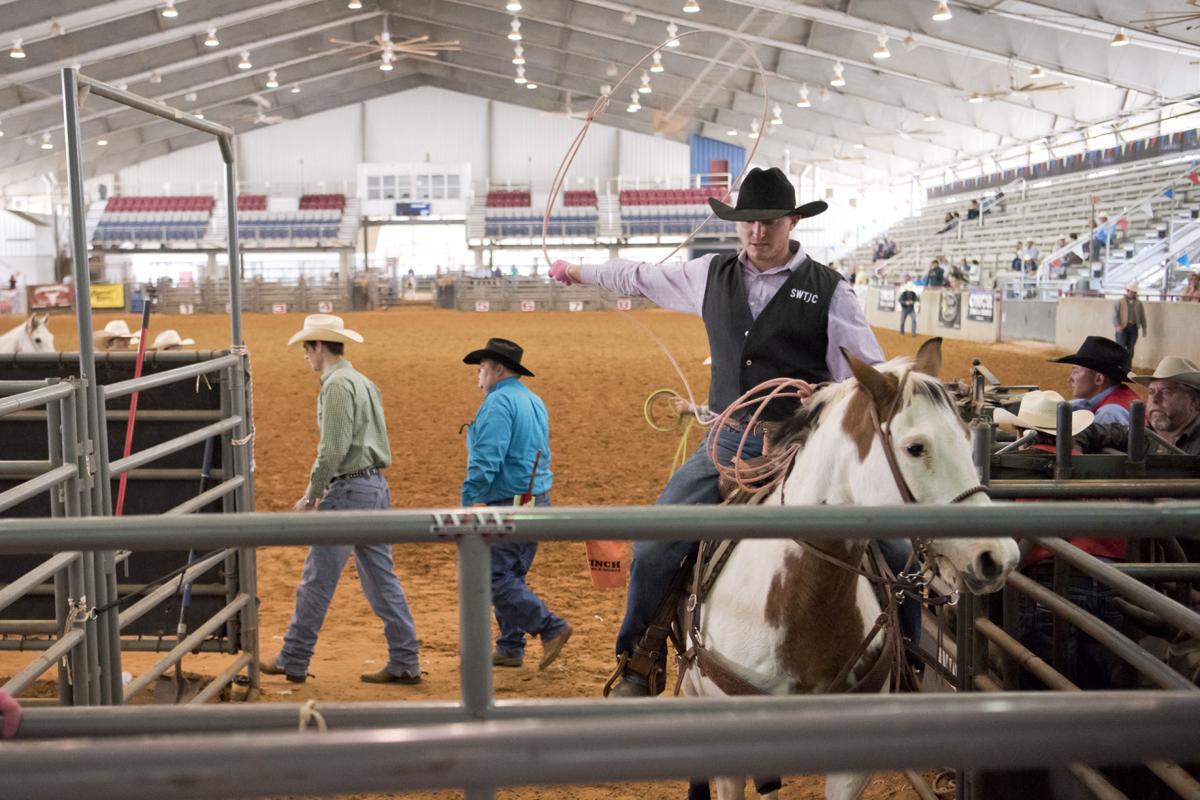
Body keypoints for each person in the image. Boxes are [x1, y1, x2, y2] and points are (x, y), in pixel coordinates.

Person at [547, 167, 891, 697]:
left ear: (792, 222)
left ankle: (904, 665)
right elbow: (637, 275)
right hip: (728, 441)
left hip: (803, 445)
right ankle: (639, 658)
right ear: (737, 225)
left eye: (770, 222)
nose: (758, 233)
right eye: (748, 223)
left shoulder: (832, 291)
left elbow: (866, 375)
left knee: (898, 545)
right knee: (653, 548)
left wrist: (826, 397)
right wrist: (577, 269)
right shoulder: (709, 273)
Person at [260, 314, 422, 685]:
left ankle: (294, 657)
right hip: (376, 488)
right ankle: (405, 659)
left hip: (349, 490)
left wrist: (312, 494)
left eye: (306, 347)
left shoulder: (335, 385)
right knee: (382, 578)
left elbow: (332, 447)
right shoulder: (363, 382)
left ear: (319, 346)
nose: (305, 355)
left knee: (318, 578)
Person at [995, 392, 1124, 690]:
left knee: (1042, 688)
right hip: (1109, 582)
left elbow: (1015, 541)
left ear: (1024, 433)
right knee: (1097, 686)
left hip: (1049, 582)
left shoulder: (1027, 466)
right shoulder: (1093, 467)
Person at [461, 337, 572, 670]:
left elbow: (486, 458)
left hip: (507, 500)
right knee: (510, 574)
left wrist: (470, 500)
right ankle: (510, 646)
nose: (478, 375)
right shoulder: (533, 400)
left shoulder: (497, 404)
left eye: (481, 368)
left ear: (496, 369)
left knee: (490, 577)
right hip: (536, 498)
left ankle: (550, 626)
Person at [1076, 356, 1200, 456]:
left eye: (1166, 391)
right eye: (1151, 392)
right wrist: (1072, 448)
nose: (1155, 399)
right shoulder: (1142, 434)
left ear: (1195, 402)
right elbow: (1089, 432)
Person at [1051, 336, 1137, 426]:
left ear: (1099, 379)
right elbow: (1084, 404)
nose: (1070, 379)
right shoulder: (1120, 396)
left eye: (1076, 371)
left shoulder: (1108, 414)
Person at [1113, 283, 1147, 361]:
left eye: (1135, 292)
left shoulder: (1139, 303)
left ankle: (1128, 367)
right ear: (1127, 291)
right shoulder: (1120, 302)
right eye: (1132, 292)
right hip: (1122, 328)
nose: (1133, 294)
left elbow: (1142, 316)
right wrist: (1117, 325)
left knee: (1130, 348)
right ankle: (1119, 365)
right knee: (1120, 347)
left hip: (1134, 328)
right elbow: (1115, 315)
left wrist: (1144, 328)